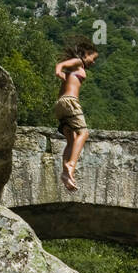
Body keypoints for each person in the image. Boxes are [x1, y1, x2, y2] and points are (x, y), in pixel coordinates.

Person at [54, 39, 98, 191]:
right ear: (86, 54)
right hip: (70, 102)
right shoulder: (78, 62)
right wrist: (58, 70)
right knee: (84, 133)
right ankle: (71, 165)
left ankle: (66, 174)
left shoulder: (76, 66)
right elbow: (62, 65)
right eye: (94, 58)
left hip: (60, 105)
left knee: (71, 139)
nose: (94, 62)